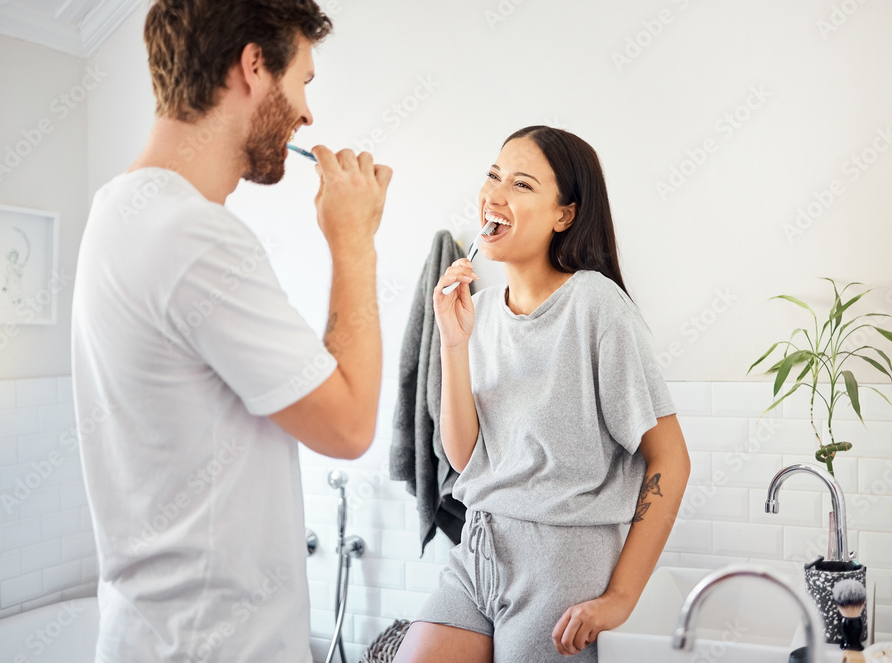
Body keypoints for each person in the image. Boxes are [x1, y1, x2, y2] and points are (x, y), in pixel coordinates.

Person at [70, 1, 392, 661]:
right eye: (302, 81)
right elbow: (350, 424)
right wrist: (354, 241)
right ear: (252, 66)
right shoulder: (196, 236)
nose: (307, 114)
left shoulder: (118, 212)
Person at [393, 126, 690, 663]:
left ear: (565, 215)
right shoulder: (477, 314)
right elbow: (466, 459)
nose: (496, 193)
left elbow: (669, 458)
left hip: (562, 565)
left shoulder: (596, 306)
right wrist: (454, 345)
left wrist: (621, 597)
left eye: (522, 184)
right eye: (493, 176)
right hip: (480, 549)